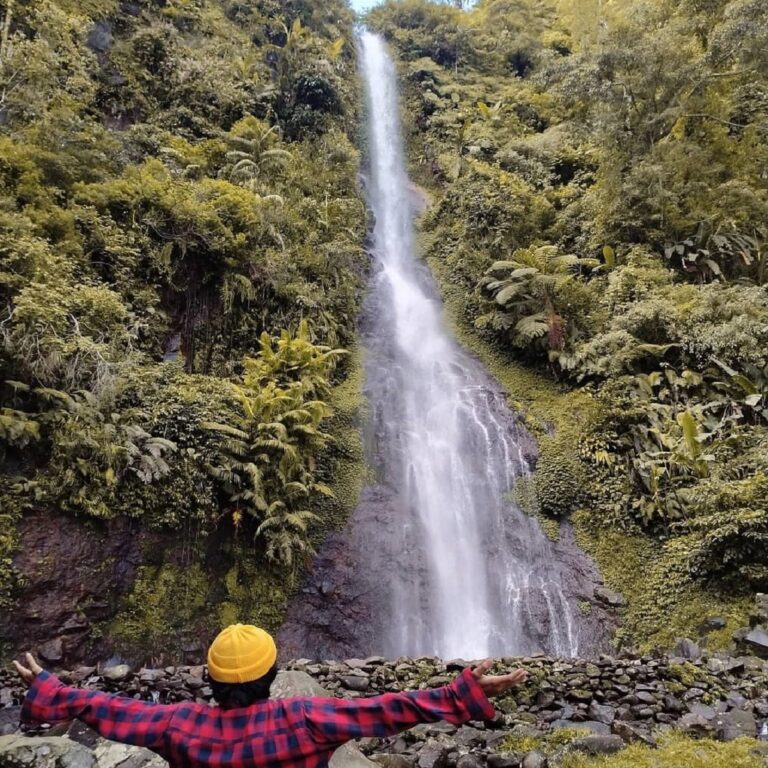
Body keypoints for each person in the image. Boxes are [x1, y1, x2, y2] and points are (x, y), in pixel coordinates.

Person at [13, 623, 528, 768]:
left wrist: (51, 689)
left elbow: (110, 709)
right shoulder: (303, 719)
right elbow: (388, 709)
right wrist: (463, 689)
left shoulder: (179, 725)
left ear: (211, 682)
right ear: (274, 673)